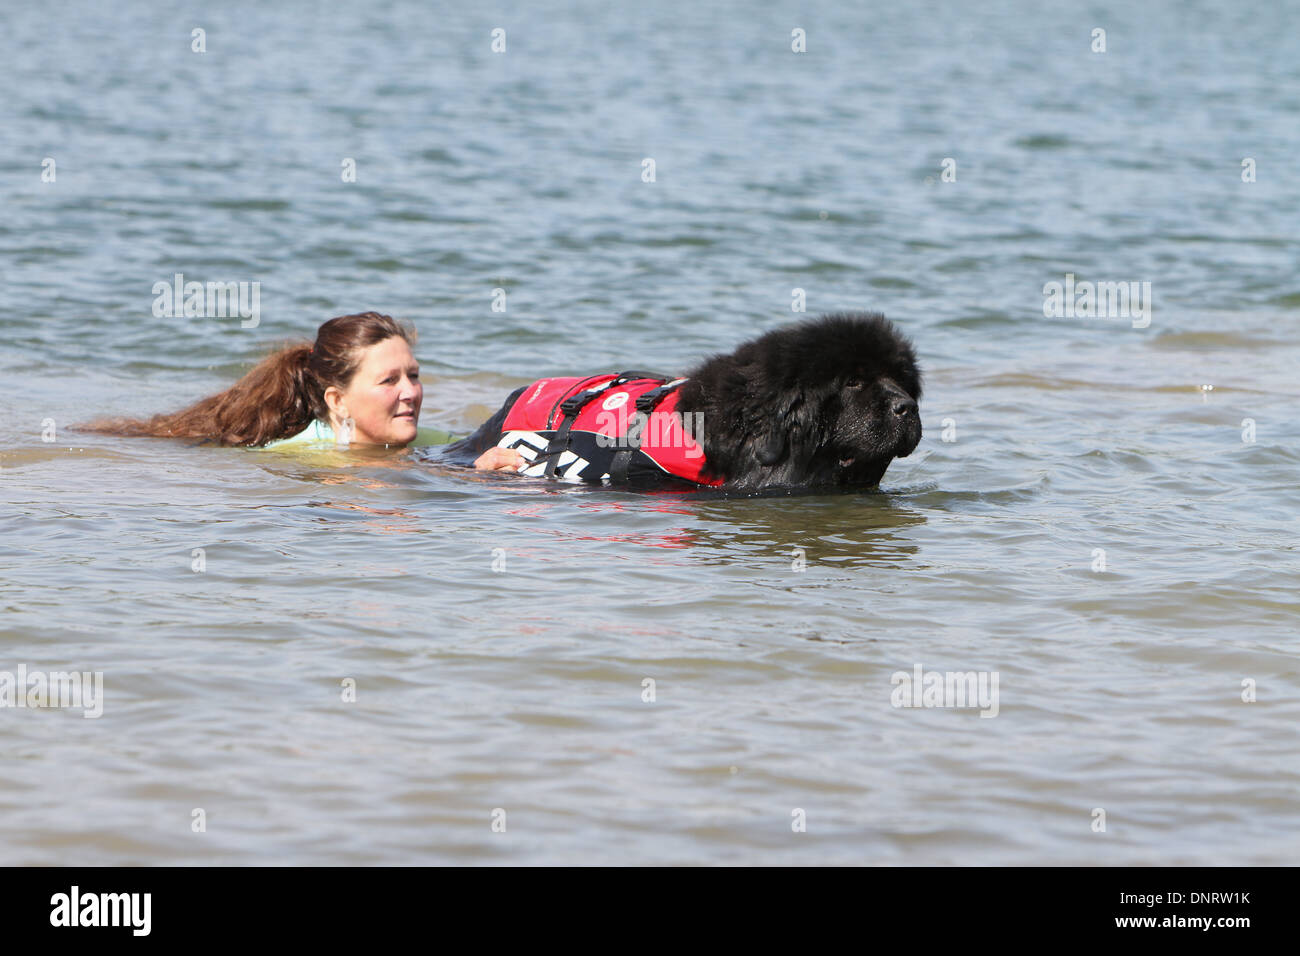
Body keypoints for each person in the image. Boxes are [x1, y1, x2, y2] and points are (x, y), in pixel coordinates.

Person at [77, 311, 524, 471]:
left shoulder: (430, 441)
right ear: (337, 400)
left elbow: (457, 454)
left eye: (413, 375)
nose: (410, 392)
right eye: (389, 380)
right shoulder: (300, 456)